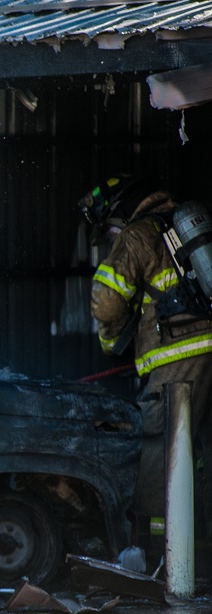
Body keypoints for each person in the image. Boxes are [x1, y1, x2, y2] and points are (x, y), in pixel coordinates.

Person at [82, 174, 212, 552]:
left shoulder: (137, 235)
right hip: (204, 354)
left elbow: (107, 301)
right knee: (201, 450)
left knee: (161, 448)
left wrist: (110, 341)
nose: (110, 236)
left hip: (181, 358)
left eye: (108, 228)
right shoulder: (185, 228)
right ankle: (200, 548)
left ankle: (160, 552)